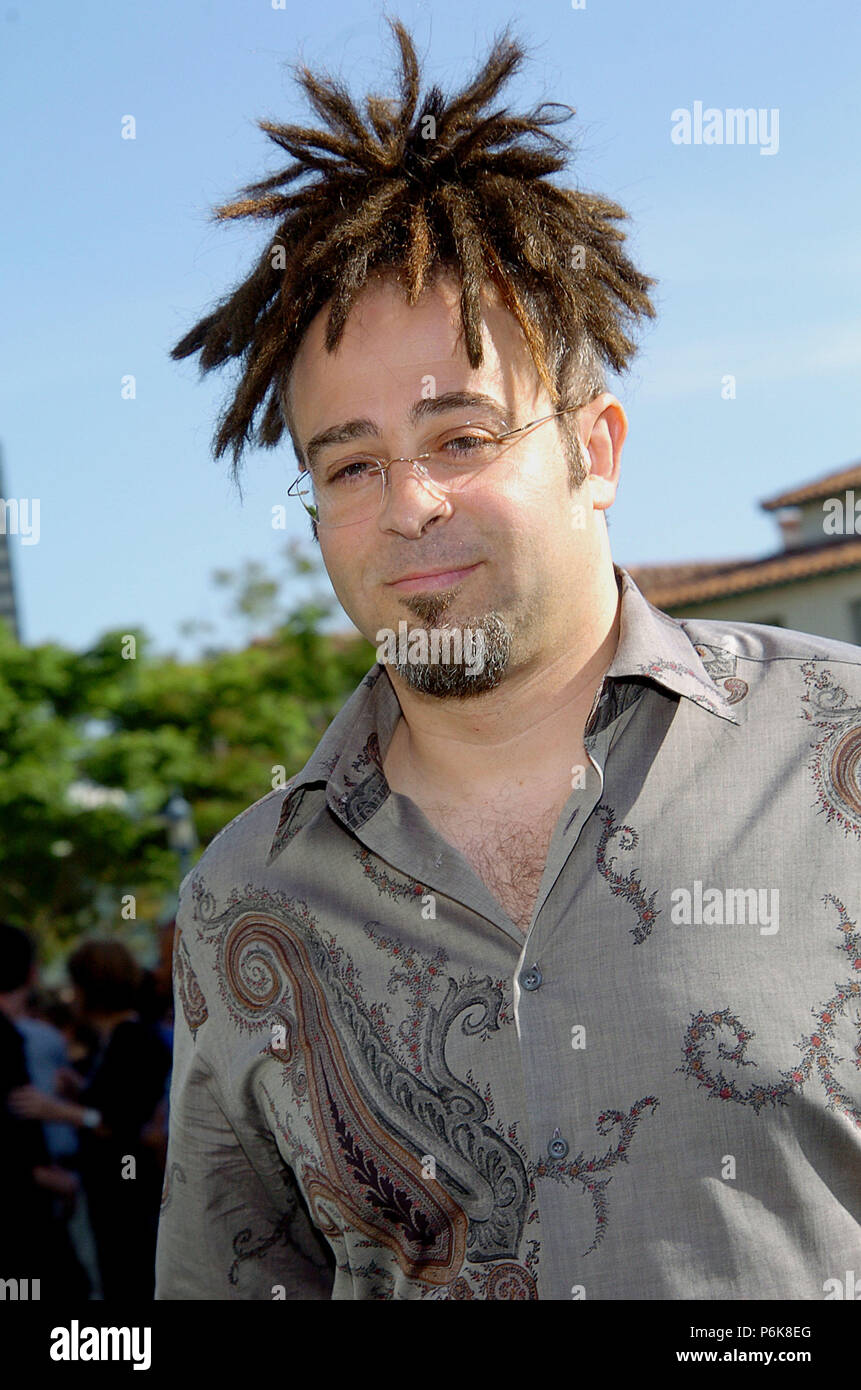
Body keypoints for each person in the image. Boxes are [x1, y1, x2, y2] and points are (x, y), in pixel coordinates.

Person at [155, 21, 860, 1300]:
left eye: (462, 435)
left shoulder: (840, 752)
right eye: (351, 463)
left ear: (596, 450)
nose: (410, 504)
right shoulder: (238, 904)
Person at [10, 939, 171, 1300]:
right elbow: (122, 1103)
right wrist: (80, 1091)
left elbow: (126, 1123)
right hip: (113, 1195)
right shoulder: (116, 1041)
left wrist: (59, 1111)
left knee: (125, 1281)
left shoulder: (134, 1040)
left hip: (127, 1200)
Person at [0, 923, 90, 1299]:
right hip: (22, 1213)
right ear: (32, 973)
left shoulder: (14, 1034)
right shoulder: (5, 1038)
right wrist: (45, 1176)